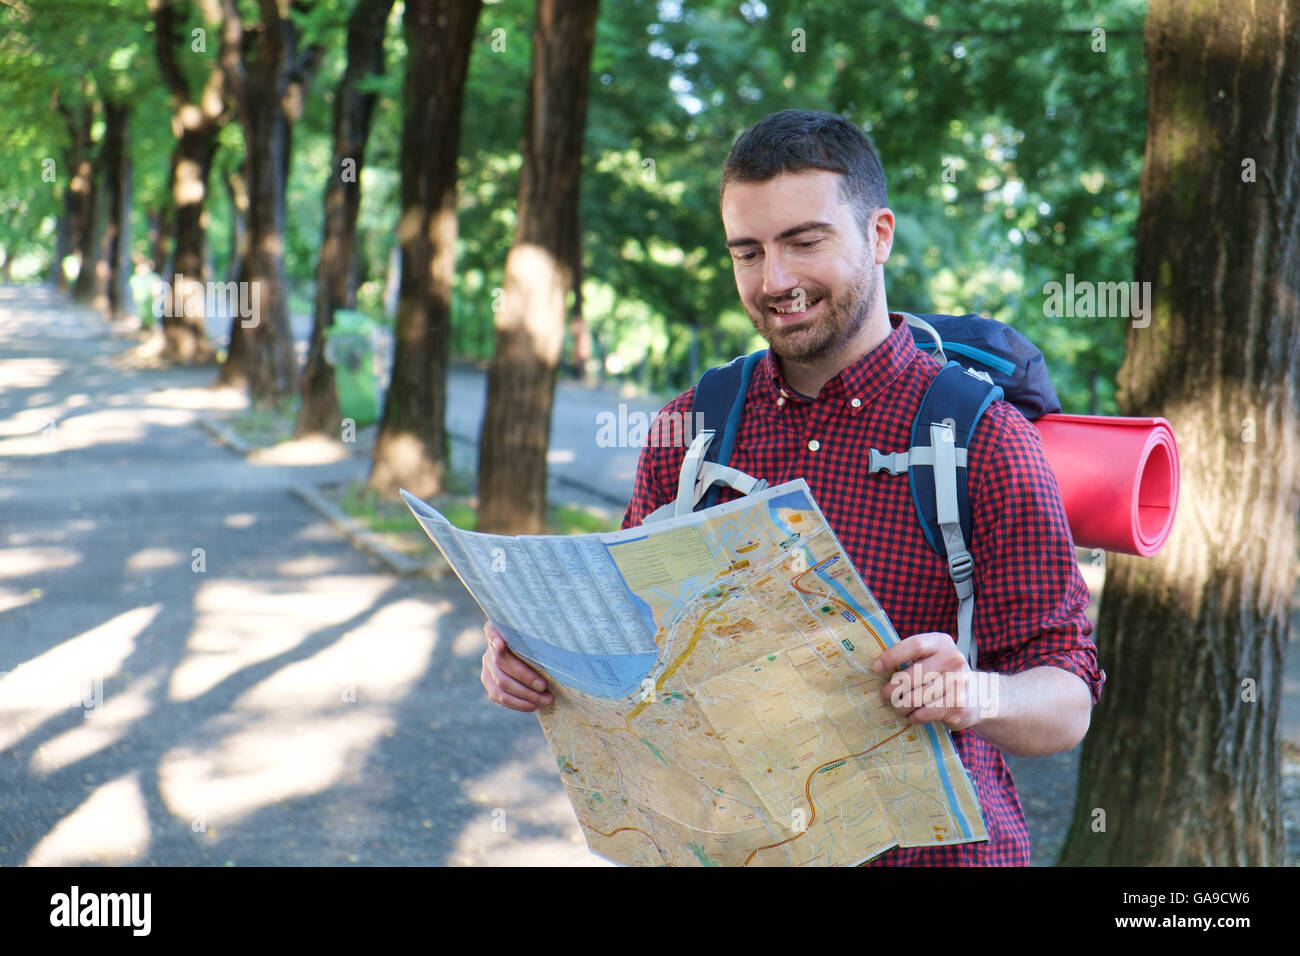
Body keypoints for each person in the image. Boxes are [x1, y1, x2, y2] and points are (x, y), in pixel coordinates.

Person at [480, 109, 1105, 865]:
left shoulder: (983, 438)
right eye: (748, 252)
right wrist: (537, 656)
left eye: (805, 242)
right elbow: (632, 637)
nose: (775, 281)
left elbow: (1068, 698)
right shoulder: (692, 427)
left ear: (879, 235)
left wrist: (980, 694)